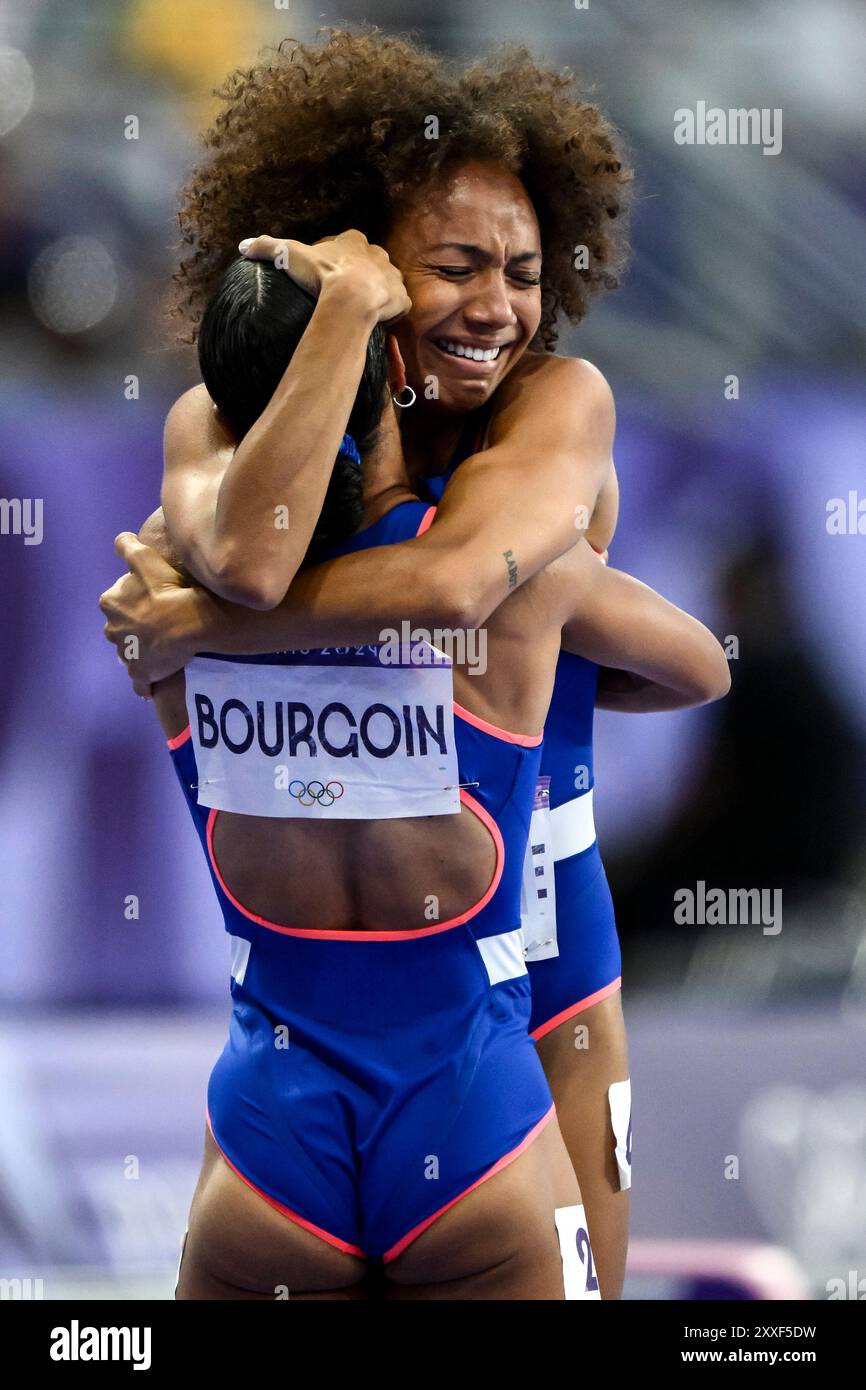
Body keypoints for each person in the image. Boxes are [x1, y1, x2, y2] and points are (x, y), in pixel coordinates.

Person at [101, 256, 730, 1299]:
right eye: (452, 268)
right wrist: (551, 681)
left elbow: (250, 558)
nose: (490, 305)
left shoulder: (165, 588)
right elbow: (699, 666)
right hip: (475, 1068)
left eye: (517, 270)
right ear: (390, 352)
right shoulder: (513, 561)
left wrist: (222, 626)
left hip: (281, 1100)